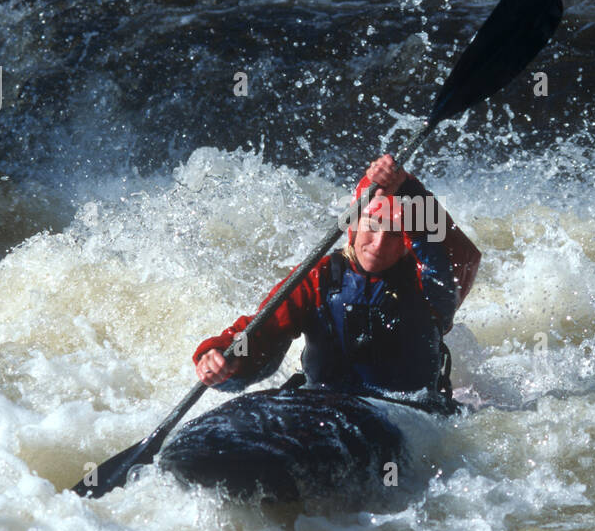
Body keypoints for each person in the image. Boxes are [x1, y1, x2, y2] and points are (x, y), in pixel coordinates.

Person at [193, 155, 481, 407]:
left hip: (407, 410)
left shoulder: (426, 281)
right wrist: (227, 357)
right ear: (353, 224)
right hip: (323, 404)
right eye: (372, 226)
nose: (379, 244)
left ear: (409, 239)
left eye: (395, 234)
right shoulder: (317, 277)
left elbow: (461, 256)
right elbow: (263, 333)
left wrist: (408, 189)